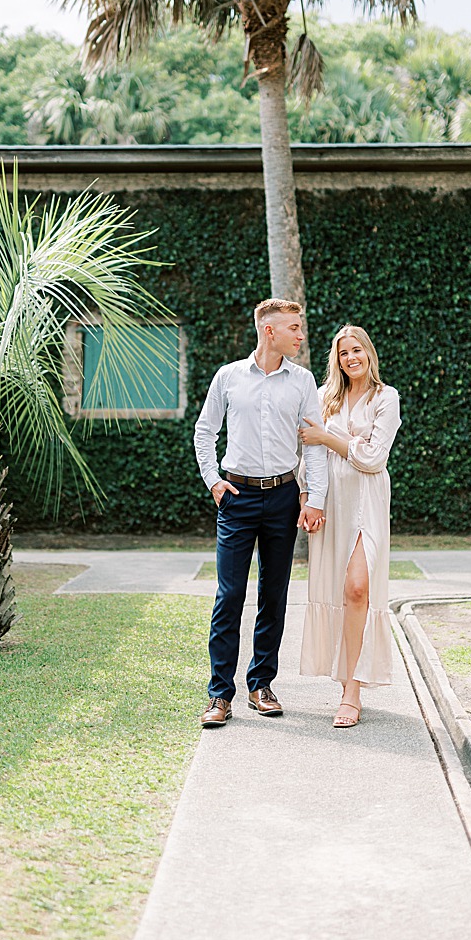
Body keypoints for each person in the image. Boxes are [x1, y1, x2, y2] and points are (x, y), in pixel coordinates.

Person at [192, 298, 328, 728]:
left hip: (284, 496)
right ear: (269, 331)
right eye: (293, 328)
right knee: (229, 596)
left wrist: (315, 497)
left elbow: (314, 443)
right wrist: (214, 481)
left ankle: (261, 684)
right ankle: (219, 695)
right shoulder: (228, 377)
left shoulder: (303, 381)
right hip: (237, 497)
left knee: (274, 594)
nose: (300, 335)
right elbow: (204, 430)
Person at [298, 325, 403, 727]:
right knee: (337, 590)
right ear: (336, 360)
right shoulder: (325, 398)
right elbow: (307, 454)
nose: (350, 358)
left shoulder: (385, 397)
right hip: (332, 505)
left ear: (368, 353)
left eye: (356, 350)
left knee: (359, 586)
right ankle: (345, 683)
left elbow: (374, 458)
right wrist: (309, 499)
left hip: (368, 501)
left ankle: (353, 690)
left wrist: (327, 437)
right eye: (343, 353)